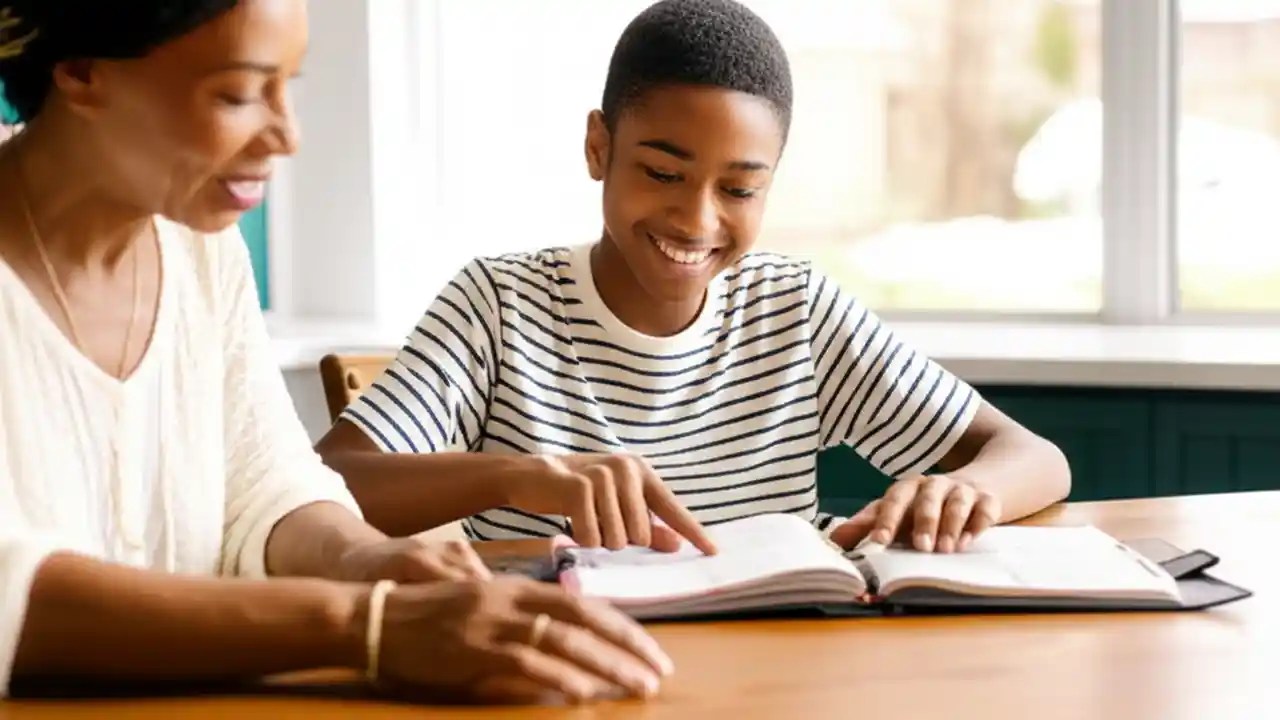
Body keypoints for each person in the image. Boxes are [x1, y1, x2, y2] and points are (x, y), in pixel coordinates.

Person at [0, 0, 671, 704]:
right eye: (237, 93)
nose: (287, 135)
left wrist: (369, 561)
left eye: (289, 84)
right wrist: (367, 624)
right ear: (79, 70)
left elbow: (267, 488)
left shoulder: (200, 246)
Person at [317, 0, 1071, 555]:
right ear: (597, 147)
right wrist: (514, 475)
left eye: (739, 190)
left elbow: (1036, 457)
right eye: (661, 172)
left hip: (773, 674)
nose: (696, 219)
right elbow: (329, 482)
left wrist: (966, 490)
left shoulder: (794, 312)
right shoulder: (501, 305)